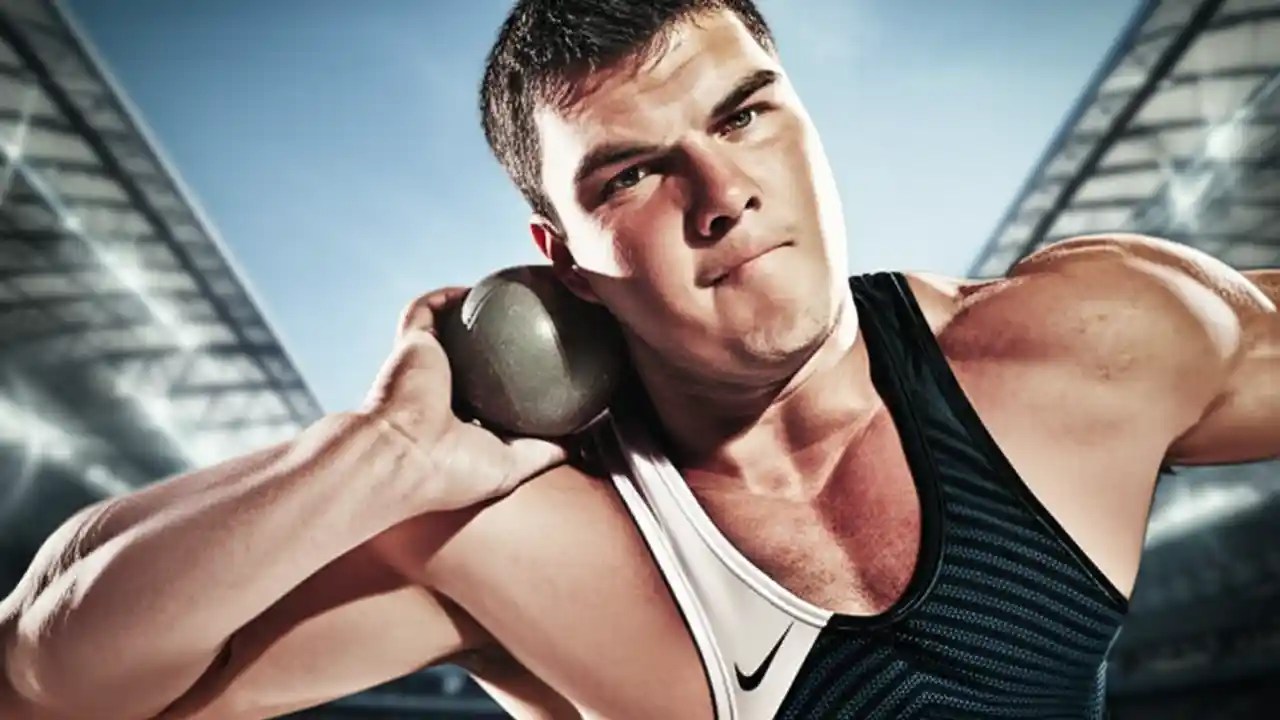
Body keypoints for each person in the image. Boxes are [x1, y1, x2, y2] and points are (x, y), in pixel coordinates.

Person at [2, 1, 1277, 718]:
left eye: (745, 113)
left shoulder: (1085, 347)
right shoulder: (531, 538)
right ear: (560, 256)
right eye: (634, 170)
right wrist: (372, 456)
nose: (721, 192)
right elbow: (46, 680)